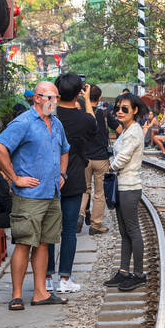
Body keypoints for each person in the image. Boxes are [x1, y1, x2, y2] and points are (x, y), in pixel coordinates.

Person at [0, 80, 70, 311]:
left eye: (55, 97)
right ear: (37, 98)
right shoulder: (24, 122)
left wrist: (63, 174)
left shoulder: (56, 124)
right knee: (24, 243)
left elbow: (65, 149)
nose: (54, 102)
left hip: (51, 193)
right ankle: (16, 295)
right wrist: (15, 178)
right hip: (29, 195)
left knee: (44, 243)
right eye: (50, 97)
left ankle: (40, 293)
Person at [47, 73, 96, 293]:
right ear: (78, 93)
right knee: (68, 231)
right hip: (74, 178)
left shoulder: (49, 116)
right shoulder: (84, 119)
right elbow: (93, 125)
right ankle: (64, 278)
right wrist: (86, 101)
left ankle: (46, 277)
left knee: (46, 231)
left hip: (48, 178)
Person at [106, 95, 146, 291]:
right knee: (124, 232)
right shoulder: (126, 130)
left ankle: (138, 274)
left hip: (130, 186)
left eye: (125, 109)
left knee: (133, 230)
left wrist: (110, 168)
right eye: (118, 108)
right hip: (122, 185)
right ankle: (123, 271)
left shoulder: (134, 132)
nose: (119, 112)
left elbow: (123, 157)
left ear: (135, 111)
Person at [80, 84, 112, 234]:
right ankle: (96, 225)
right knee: (100, 193)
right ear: (99, 98)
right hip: (101, 158)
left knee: (84, 189)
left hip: (84, 157)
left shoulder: (80, 113)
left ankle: (80, 214)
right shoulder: (104, 114)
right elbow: (120, 129)